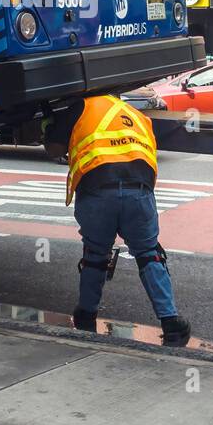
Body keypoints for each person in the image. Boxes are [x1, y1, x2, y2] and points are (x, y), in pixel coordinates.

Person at [44, 94, 191, 346]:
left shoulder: (82, 106)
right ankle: (171, 322)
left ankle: (87, 316)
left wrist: (48, 125)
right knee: (148, 253)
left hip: (98, 192)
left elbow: (54, 149)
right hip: (139, 192)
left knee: (95, 255)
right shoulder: (136, 115)